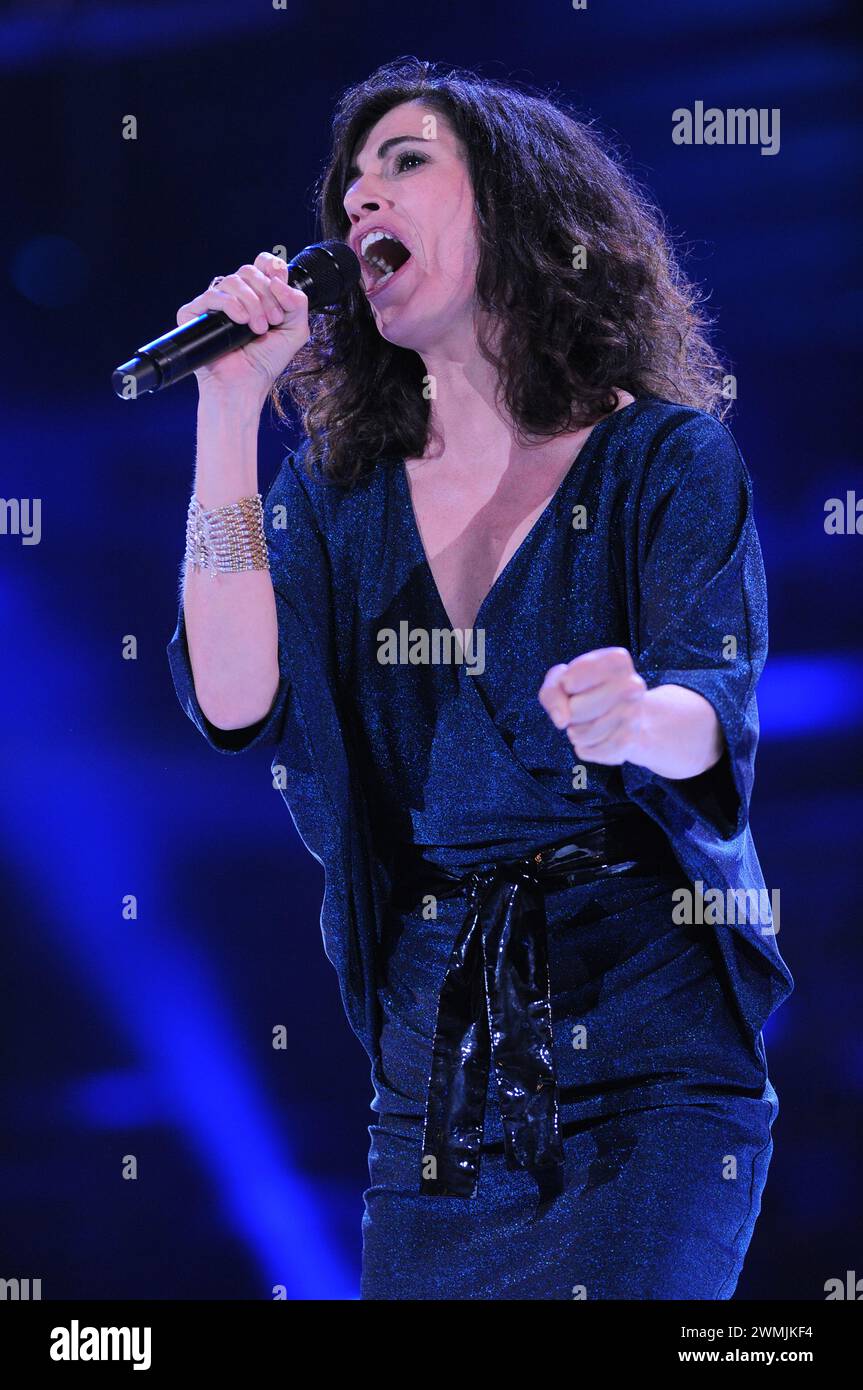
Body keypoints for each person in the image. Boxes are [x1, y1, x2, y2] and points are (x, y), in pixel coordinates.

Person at [167, 58, 794, 1300]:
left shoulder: (663, 459)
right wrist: (229, 411)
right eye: (347, 186)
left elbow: (705, 709)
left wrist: (636, 717)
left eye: (403, 164)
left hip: (647, 1050)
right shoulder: (340, 496)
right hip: (438, 1076)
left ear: (515, 208)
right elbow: (235, 698)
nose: (358, 202)